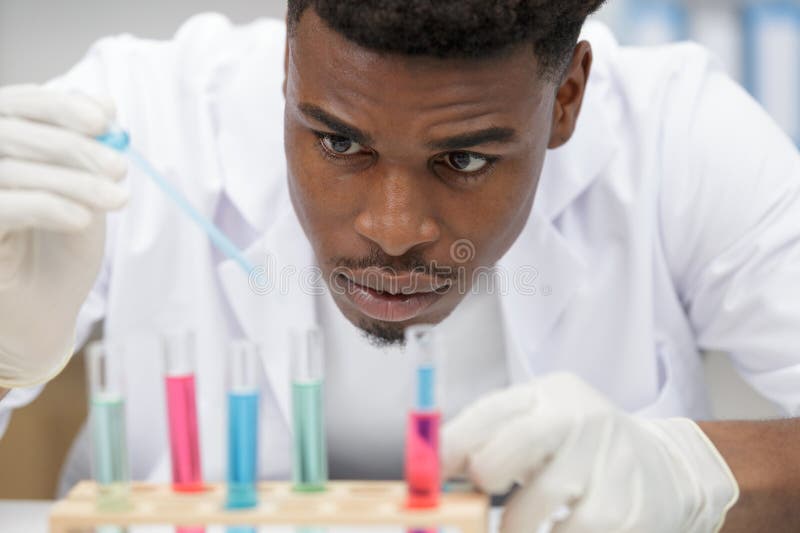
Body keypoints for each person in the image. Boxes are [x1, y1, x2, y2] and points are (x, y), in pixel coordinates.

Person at [1, 1, 799, 531]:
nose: (391, 232)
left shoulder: (678, 137)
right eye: (339, 141)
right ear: (287, 60)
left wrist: (691, 472)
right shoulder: (134, 117)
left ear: (566, 99)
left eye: (465, 158)